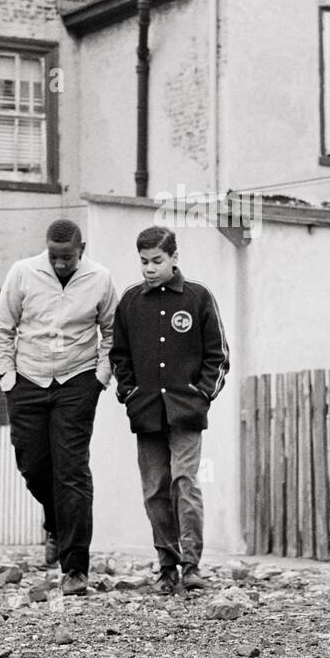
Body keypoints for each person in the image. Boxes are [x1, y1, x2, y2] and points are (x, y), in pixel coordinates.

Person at [0, 219, 118, 597]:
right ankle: (56, 523)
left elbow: (111, 331)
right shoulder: (22, 273)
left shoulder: (101, 279)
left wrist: (101, 375)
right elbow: (2, 328)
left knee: (72, 471)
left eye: (67, 257)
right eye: (54, 257)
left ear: (82, 248)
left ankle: (75, 567)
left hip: (77, 380)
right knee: (32, 465)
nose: (61, 264)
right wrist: (7, 376)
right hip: (27, 380)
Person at [110, 226, 229, 594]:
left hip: (186, 412)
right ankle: (166, 566)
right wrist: (129, 393)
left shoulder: (198, 298)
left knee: (185, 481)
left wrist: (201, 394)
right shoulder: (130, 302)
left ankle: (192, 565)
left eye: (157, 261)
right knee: (155, 489)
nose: (149, 268)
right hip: (146, 413)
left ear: (174, 258)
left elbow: (219, 356)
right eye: (143, 261)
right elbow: (119, 357)